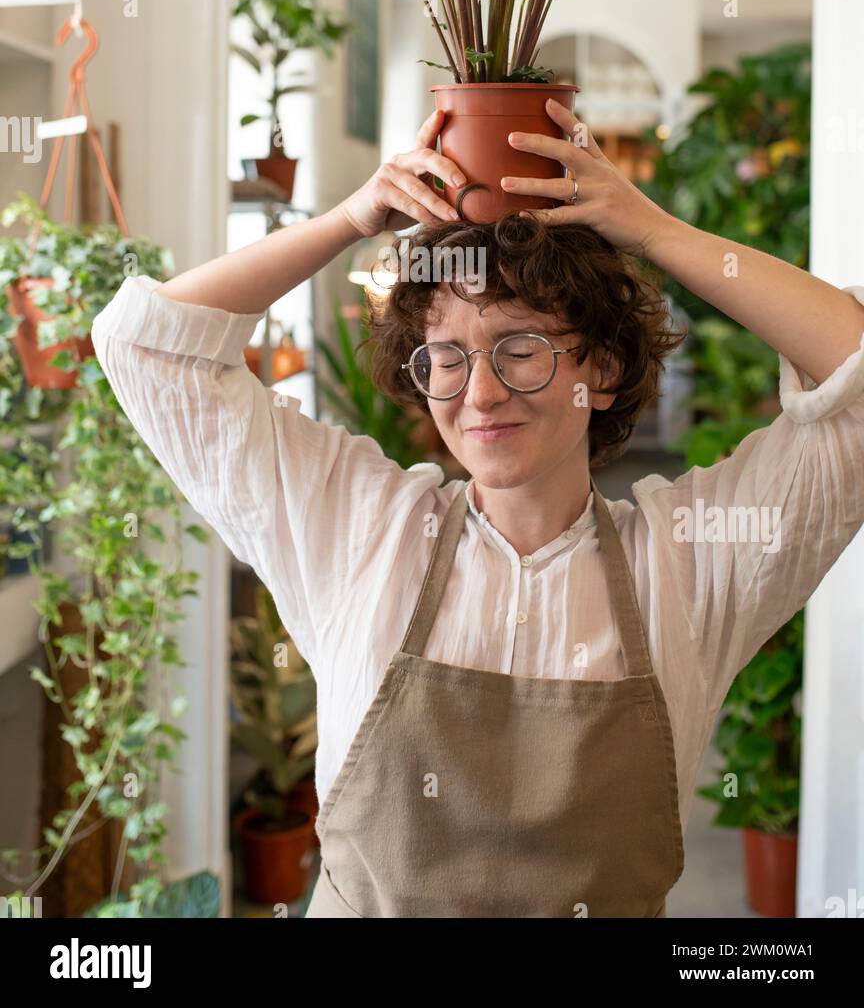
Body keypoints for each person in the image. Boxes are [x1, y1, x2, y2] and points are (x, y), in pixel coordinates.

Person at [91, 98, 864, 918]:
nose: (481, 394)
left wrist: (651, 231)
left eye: (521, 350)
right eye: (447, 358)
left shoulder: (694, 562)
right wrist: (351, 220)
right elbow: (147, 344)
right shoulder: (356, 527)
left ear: (599, 372)